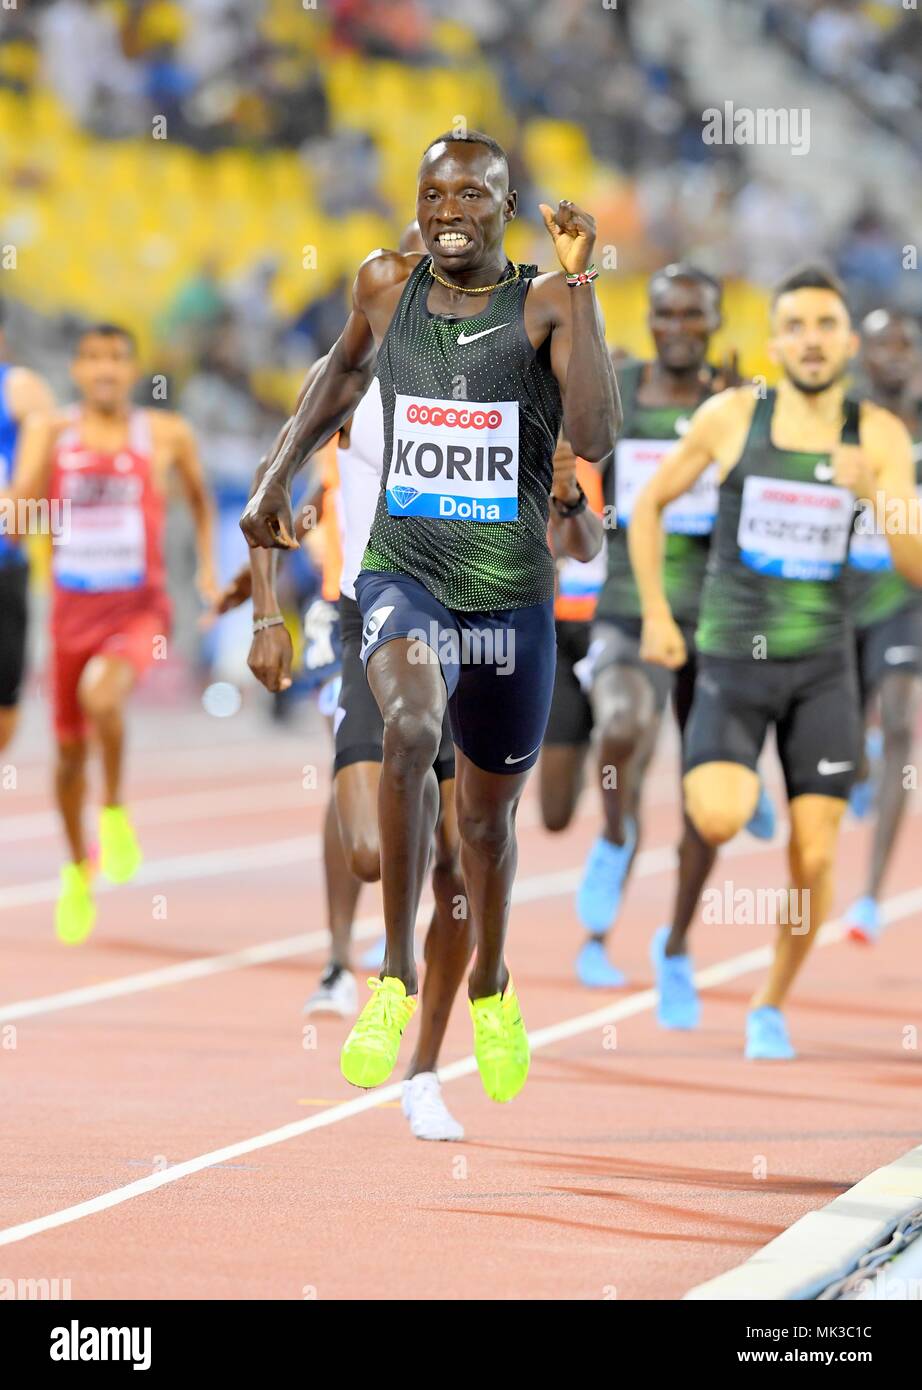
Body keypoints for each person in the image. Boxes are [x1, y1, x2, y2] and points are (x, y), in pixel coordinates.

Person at [241, 130, 618, 1104]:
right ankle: (394, 976)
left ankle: (490, 979)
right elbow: (334, 380)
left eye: (473, 195)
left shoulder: (543, 301)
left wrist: (585, 294)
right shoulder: (381, 284)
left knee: (486, 829)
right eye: (434, 193)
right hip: (403, 573)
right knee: (408, 729)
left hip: (507, 602)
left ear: (508, 204)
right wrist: (275, 477)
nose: (450, 210)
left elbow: (594, 434)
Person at [629, 265, 922, 1060]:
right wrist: (657, 613)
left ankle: (770, 1000)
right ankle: (693, 901)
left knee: (816, 853)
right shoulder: (732, 418)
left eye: (827, 325)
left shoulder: (880, 437)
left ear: (848, 342)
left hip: (823, 669)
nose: (812, 341)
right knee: (720, 815)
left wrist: (882, 498)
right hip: (730, 661)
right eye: (796, 326)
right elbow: (650, 505)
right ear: (775, 341)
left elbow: (915, 562)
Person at [577, 266, 774, 994]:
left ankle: (679, 944)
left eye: (695, 315)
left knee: (708, 803)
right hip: (632, 601)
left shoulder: (742, 405)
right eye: (667, 314)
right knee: (621, 731)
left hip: (720, 617)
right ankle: (613, 845)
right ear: (650, 318)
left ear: (717, 320)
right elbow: (570, 452)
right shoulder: (621, 387)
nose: (680, 328)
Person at [10, 324, 216, 944]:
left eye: (117, 360)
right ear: (75, 371)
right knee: (69, 755)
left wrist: (207, 569)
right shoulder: (52, 432)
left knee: (105, 697)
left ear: (132, 371)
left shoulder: (165, 434)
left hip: (139, 612)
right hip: (71, 614)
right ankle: (77, 868)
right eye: (93, 360)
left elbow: (203, 503)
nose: (105, 371)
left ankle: (116, 807)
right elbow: (22, 504)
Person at [843, 310, 922, 943]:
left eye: (905, 343)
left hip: (905, 597)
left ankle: (869, 896)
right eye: (881, 344)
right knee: (846, 736)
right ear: (859, 355)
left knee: (900, 722)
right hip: (839, 597)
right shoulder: (841, 424)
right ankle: (859, 764)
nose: (894, 354)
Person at [0, 300, 56, 752]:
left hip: (6, 561)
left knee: (5, 701)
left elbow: (59, 455)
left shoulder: (18, 386)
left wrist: (19, 505)